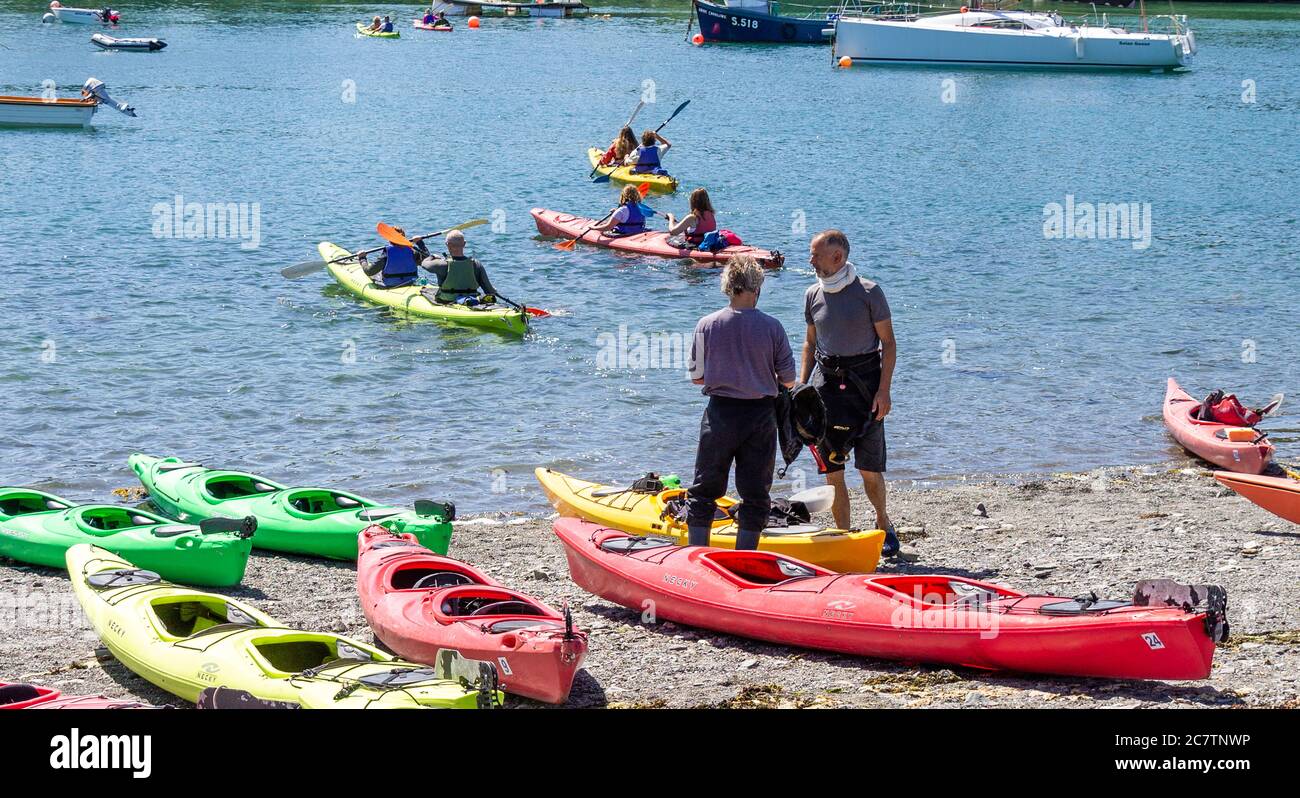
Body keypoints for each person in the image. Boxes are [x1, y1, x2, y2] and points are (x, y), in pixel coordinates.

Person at [799, 229, 900, 557]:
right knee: (833, 472)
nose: (810, 260)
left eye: (816, 255)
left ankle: (882, 522)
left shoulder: (870, 292)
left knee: (870, 471)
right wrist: (801, 389)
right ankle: (843, 537)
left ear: (837, 257)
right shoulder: (812, 295)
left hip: (865, 392)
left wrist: (884, 391)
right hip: (826, 392)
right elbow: (810, 344)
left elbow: (888, 344)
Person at [686, 257, 797, 550]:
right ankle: (745, 559)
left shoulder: (706, 324)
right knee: (756, 494)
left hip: (720, 413)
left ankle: (697, 555)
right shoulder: (773, 327)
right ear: (757, 287)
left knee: (704, 489)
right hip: (760, 416)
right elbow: (789, 380)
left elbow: (697, 378)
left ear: (727, 287)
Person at [420, 230, 500, 305]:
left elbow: (424, 264)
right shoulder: (476, 264)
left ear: (447, 245)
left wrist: (432, 256)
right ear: (464, 244)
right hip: (472, 300)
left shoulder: (442, 264)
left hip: (447, 301)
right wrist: (494, 290)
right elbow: (489, 290)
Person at [359, 227, 427, 289]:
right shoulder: (413, 251)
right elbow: (427, 260)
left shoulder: (387, 254)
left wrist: (362, 259)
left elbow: (369, 272)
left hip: (391, 284)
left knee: (376, 274)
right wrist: (420, 243)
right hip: (411, 282)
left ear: (389, 239)